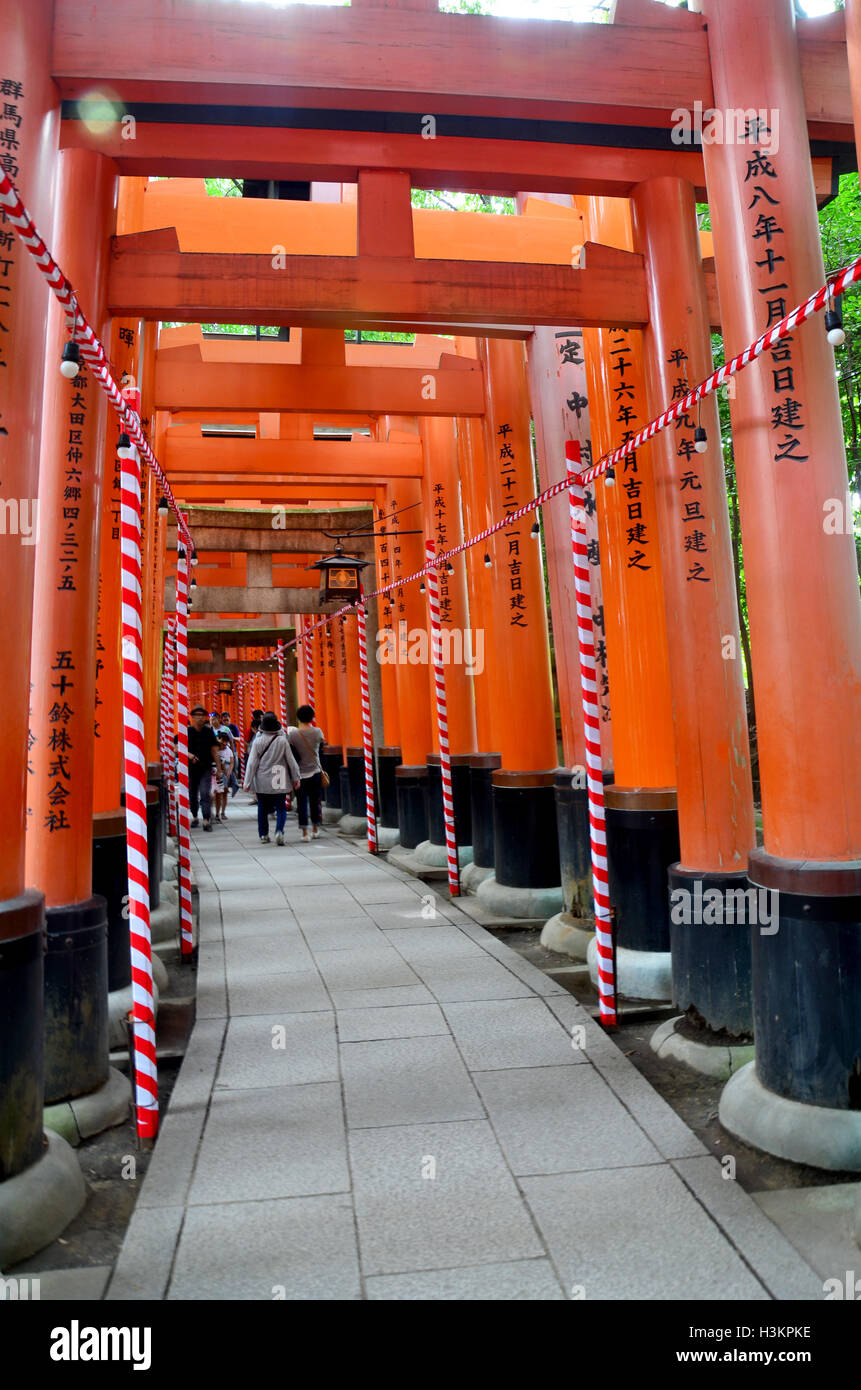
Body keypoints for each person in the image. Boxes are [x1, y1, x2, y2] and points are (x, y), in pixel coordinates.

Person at [243, 712, 300, 845]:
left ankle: (263, 835)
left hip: (262, 776)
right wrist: (296, 777)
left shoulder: (257, 741)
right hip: (279, 774)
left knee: (262, 807)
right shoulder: (282, 740)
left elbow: (252, 763)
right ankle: (279, 831)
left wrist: (247, 782)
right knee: (280, 807)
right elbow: (291, 761)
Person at [288, 705, 326, 843]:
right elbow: (322, 743)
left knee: (302, 803)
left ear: (298, 717)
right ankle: (316, 828)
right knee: (315, 801)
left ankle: (305, 832)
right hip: (315, 771)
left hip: (299, 773)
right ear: (312, 716)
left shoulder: (293, 734)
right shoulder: (317, 732)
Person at [188, 706, 218, 830]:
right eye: (197, 715)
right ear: (193, 717)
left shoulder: (208, 732)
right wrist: (190, 755)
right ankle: (195, 816)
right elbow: (177, 747)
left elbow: (214, 750)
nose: (200, 717)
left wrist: (219, 769)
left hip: (205, 767)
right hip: (191, 768)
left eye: (202, 715)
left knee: (205, 793)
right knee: (192, 794)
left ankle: (206, 820)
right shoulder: (187, 731)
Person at [213, 731, 235, 823]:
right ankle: (215, 813)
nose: (225, 743)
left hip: (225, 775)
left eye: (226, 741)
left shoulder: (228, 750)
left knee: (224, 793)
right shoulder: (214, 749)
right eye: (223, 741)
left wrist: (229, 772)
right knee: (216, 795)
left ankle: (222, 812)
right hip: (214, 775)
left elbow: (232, 762)